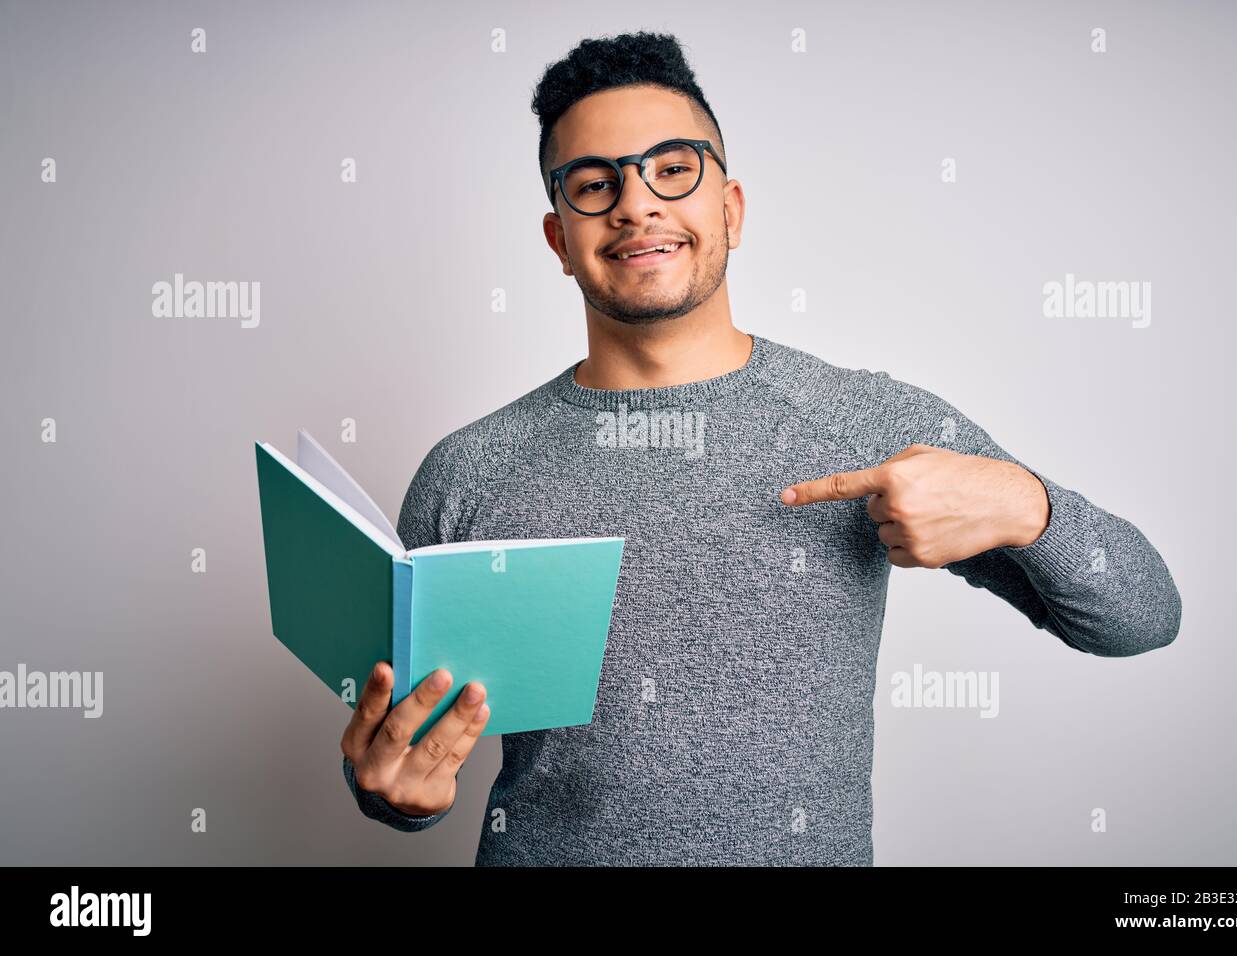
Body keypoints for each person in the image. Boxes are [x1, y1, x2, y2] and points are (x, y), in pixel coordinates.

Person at [339, 31, 1181, 866]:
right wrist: (391, 793)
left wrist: (1027, 506)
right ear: (560, 240)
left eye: (673, 169)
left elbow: (1143, 619)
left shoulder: (867, 425)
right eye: (594, 185)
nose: (637, 204)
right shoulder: (469, 472)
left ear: (730, 209)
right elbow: (403, 762)